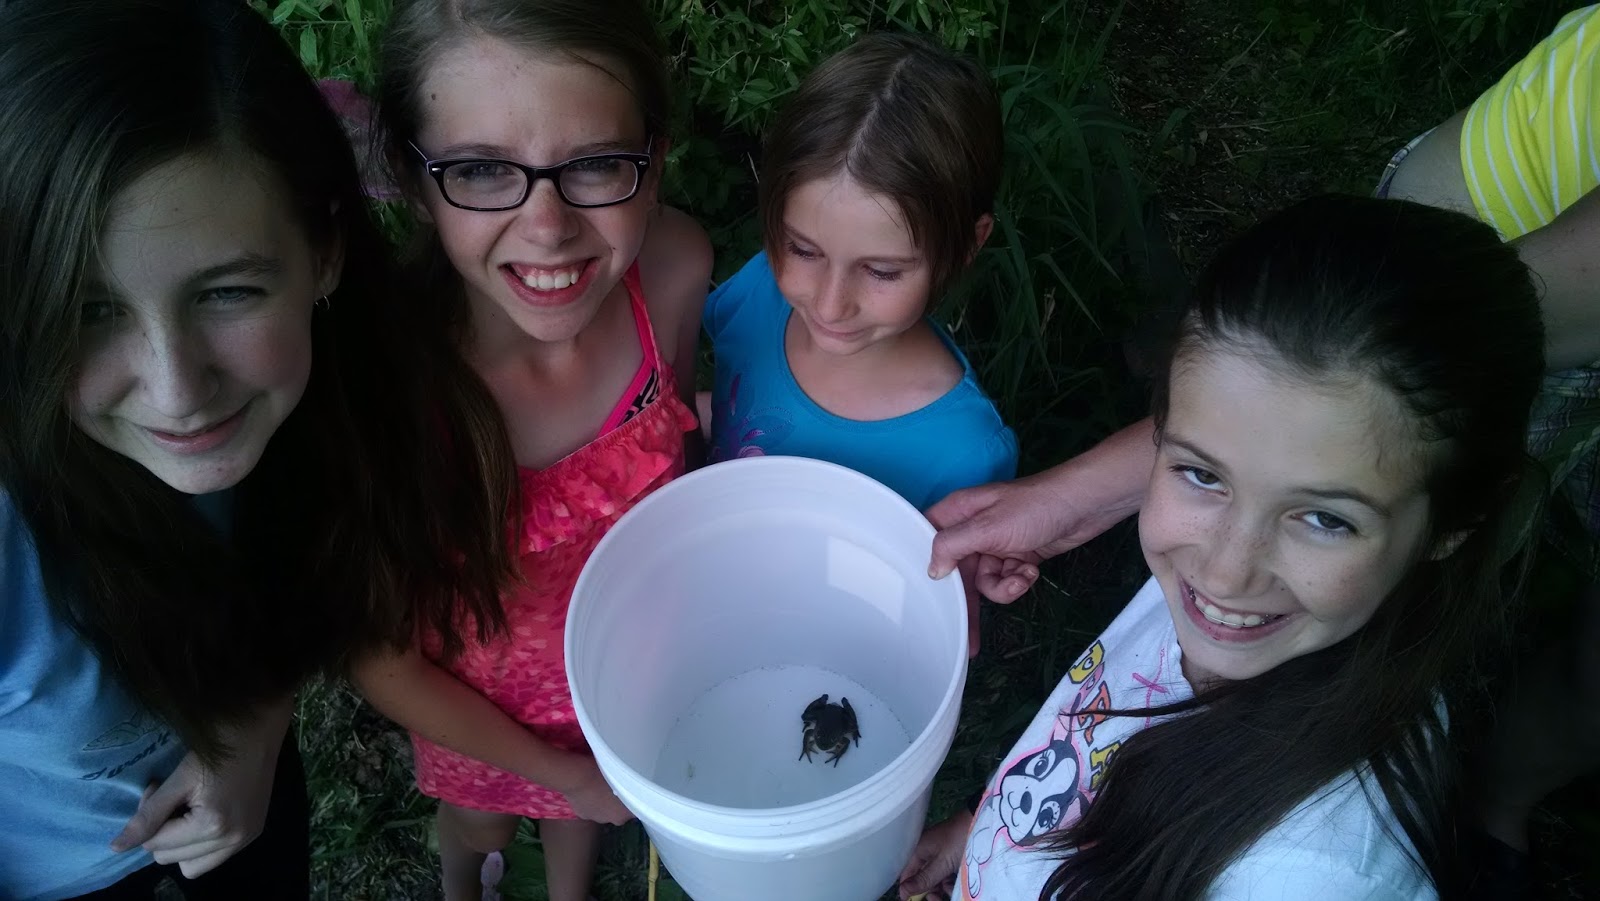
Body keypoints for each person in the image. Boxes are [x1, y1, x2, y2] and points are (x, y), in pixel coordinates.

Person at [0, 0, 515, 898]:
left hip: (251, 818)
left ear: (322, 252)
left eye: (228, 293)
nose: (176, 391)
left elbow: (300, 574)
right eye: (90, 312)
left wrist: (258, 725)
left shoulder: (339, 396)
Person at [898, 195, 1546, 900]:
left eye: (1326, 519)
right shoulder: (1246, 609)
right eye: (1202, 473)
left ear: (1456, 521)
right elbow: (1088, 744)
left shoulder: (1309, 876)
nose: (1226, 567)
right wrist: (986, 830)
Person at [348, 2, 712, 900]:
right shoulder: (390, 395)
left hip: (626, 678)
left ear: (654, 164)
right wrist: (557, 772)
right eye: (479, 169)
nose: (547, 227)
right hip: (481, 718)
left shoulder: (672, 274)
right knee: (482, 821)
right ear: (413, 173)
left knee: (579, 820)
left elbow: (678, 456)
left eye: (593, 165)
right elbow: (379, 658)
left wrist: (581, 781)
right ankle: (462, 881)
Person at [703, 32, 1017, 515]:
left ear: (968, 244)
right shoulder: (755, 292)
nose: (830, 304)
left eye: (882, 271)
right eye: (803, 250)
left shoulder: (963, 454)